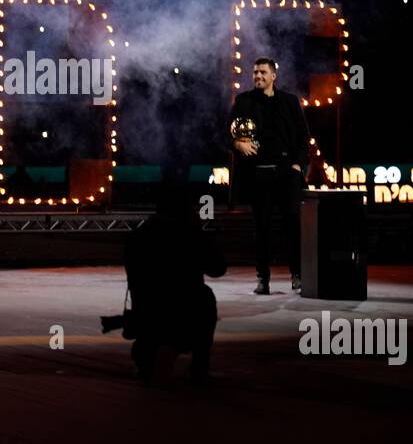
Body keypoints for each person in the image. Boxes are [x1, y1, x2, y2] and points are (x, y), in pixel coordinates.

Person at [119, 180, 227, 383]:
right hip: (182, 314)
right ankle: (199, 366)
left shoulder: (139, 236)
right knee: (205, 297)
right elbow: (218, 268)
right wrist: (204, 235)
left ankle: (148, 357)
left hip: (148, 313)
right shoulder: (189, 234)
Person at [229, 57, 309, 294]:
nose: (258, 77)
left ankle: (298, 275)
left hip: (286, 175)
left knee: (293, 225)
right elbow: (225, 133)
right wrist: (237, 144)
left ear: (274, 75)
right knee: (261, 228)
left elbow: (304, 138)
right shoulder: (243, 101)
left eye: (263, 72)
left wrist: (297, 166)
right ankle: (262, 279)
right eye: (255, 73)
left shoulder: (290, 102)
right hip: (258, 175)